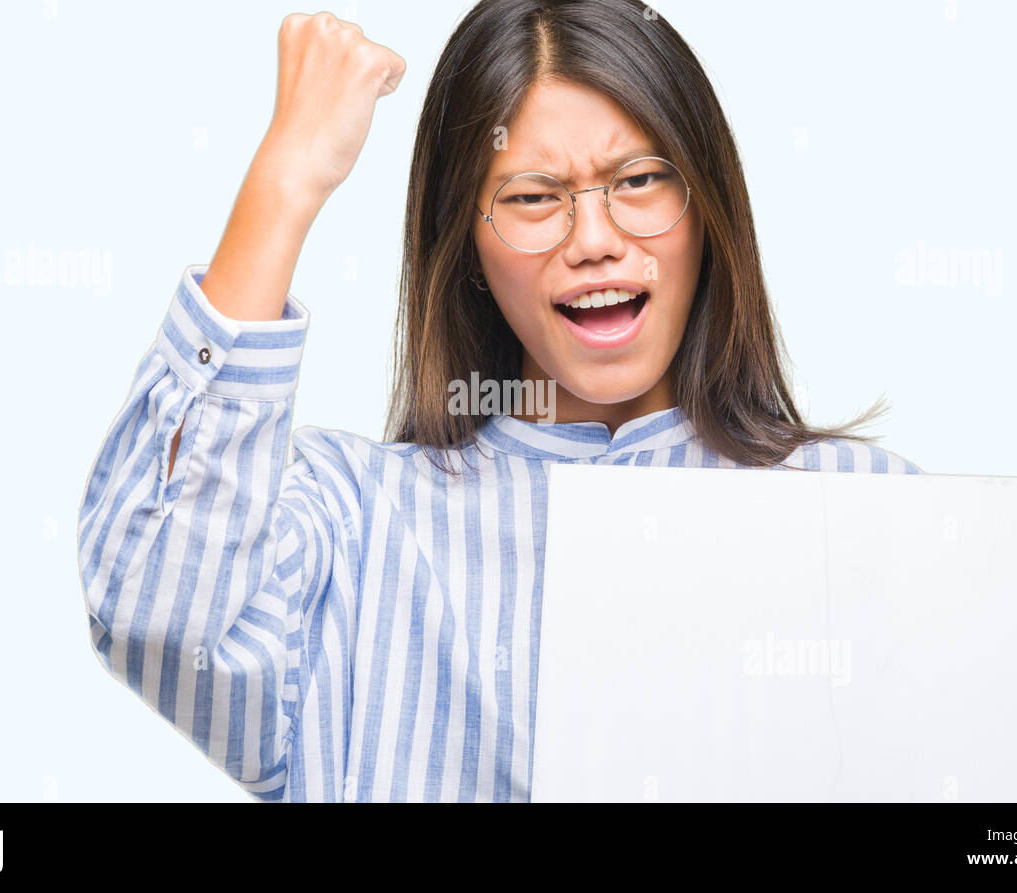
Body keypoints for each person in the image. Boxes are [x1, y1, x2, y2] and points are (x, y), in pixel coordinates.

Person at [76, 0, 922, 803]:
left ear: (709, 205)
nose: (593, 240)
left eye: (638, 180)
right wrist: (286, 180)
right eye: (531, 196)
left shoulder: (864, 511)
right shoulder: (349, 526)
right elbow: (154, 607)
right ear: (469, 244)